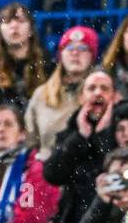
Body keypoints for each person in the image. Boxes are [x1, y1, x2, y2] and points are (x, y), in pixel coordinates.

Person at [43, 70, 123, 223]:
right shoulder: (70, 134)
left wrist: (103, 135)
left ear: (115, 97)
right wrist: (81, 136)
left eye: (104, 88)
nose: (98, 93)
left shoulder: (125, 131)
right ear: (81, 97)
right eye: (92, 88)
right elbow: (52, 174)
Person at [26, 25, 97, 155]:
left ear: (92, 56)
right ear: (60, 55)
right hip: (46, 168)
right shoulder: (41, 94)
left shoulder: (102, 93)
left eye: (83, 48)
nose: (75, 53)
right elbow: (30, 141)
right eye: (69, 47)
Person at [0, 3, 50, 105]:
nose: (14, 26)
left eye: (21, 21)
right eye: (7, 21)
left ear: (31, 29)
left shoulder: (47, 66)